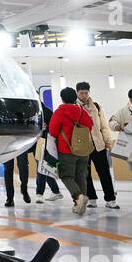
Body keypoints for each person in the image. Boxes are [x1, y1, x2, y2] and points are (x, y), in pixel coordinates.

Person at [47, 86, 93, 215]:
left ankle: (78, 197)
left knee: (66, 175)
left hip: (66, 150)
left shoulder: (60, 112)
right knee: (81, 176)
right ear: (75, 97)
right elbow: (90, 125)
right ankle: (79, 204)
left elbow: (53, 131)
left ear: (62, 99)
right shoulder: (82, 111)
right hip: (83, 149)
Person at [75, 81, 119, 209]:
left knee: (104, 173)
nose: (84, 95)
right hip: (83, 146)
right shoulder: (74, 107)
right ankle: (92, 199)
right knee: (85, 174)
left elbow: (104, 126)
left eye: (86, 93)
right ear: (77, 93)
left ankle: (110, 200)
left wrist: (108, 141)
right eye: (81, 93)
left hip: (98, 145)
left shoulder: (96, 106)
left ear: (89, 92)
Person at [31, 100, 64, 203]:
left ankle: (39, 194)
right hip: (40, 143)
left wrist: (44, 128)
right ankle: (55, 191)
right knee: (45, 167)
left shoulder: (44, 112)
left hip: (43, 143)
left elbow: (54, 129)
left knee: (42, 167)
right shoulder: (37, 111)